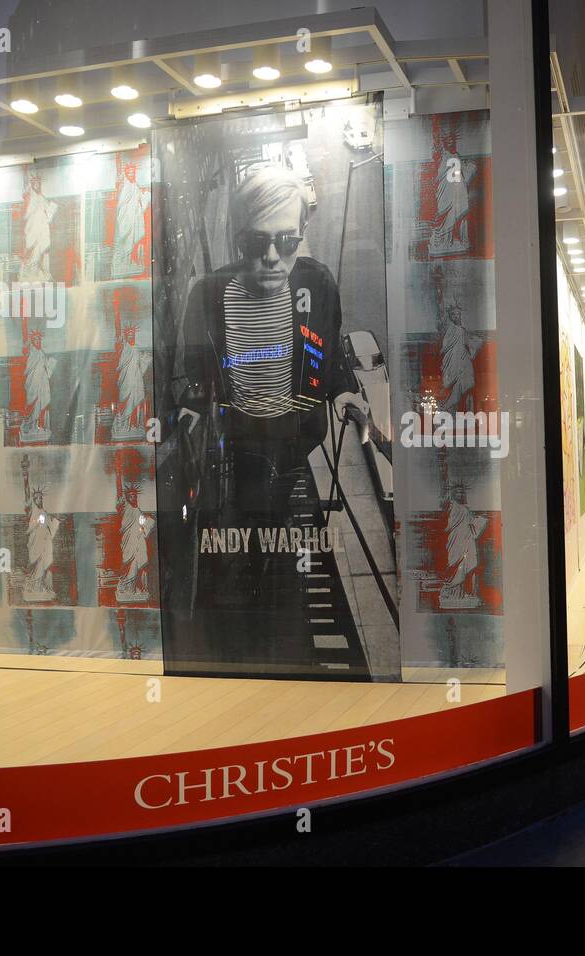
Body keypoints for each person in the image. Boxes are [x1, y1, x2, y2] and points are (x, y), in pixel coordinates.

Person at [160, 166, 369, 671]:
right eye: (258, 242)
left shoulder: (316, 283)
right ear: (238, 239)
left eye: (287, 240)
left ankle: (280, 643)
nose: (272, 256)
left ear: (300, 236)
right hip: (234, 449)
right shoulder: (208, 295)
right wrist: (189, 409)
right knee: (239, 548)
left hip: (294, 442)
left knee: (284, 543)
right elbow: (187, 372)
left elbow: (332, 354)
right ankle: (244, 647)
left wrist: (342, 394)